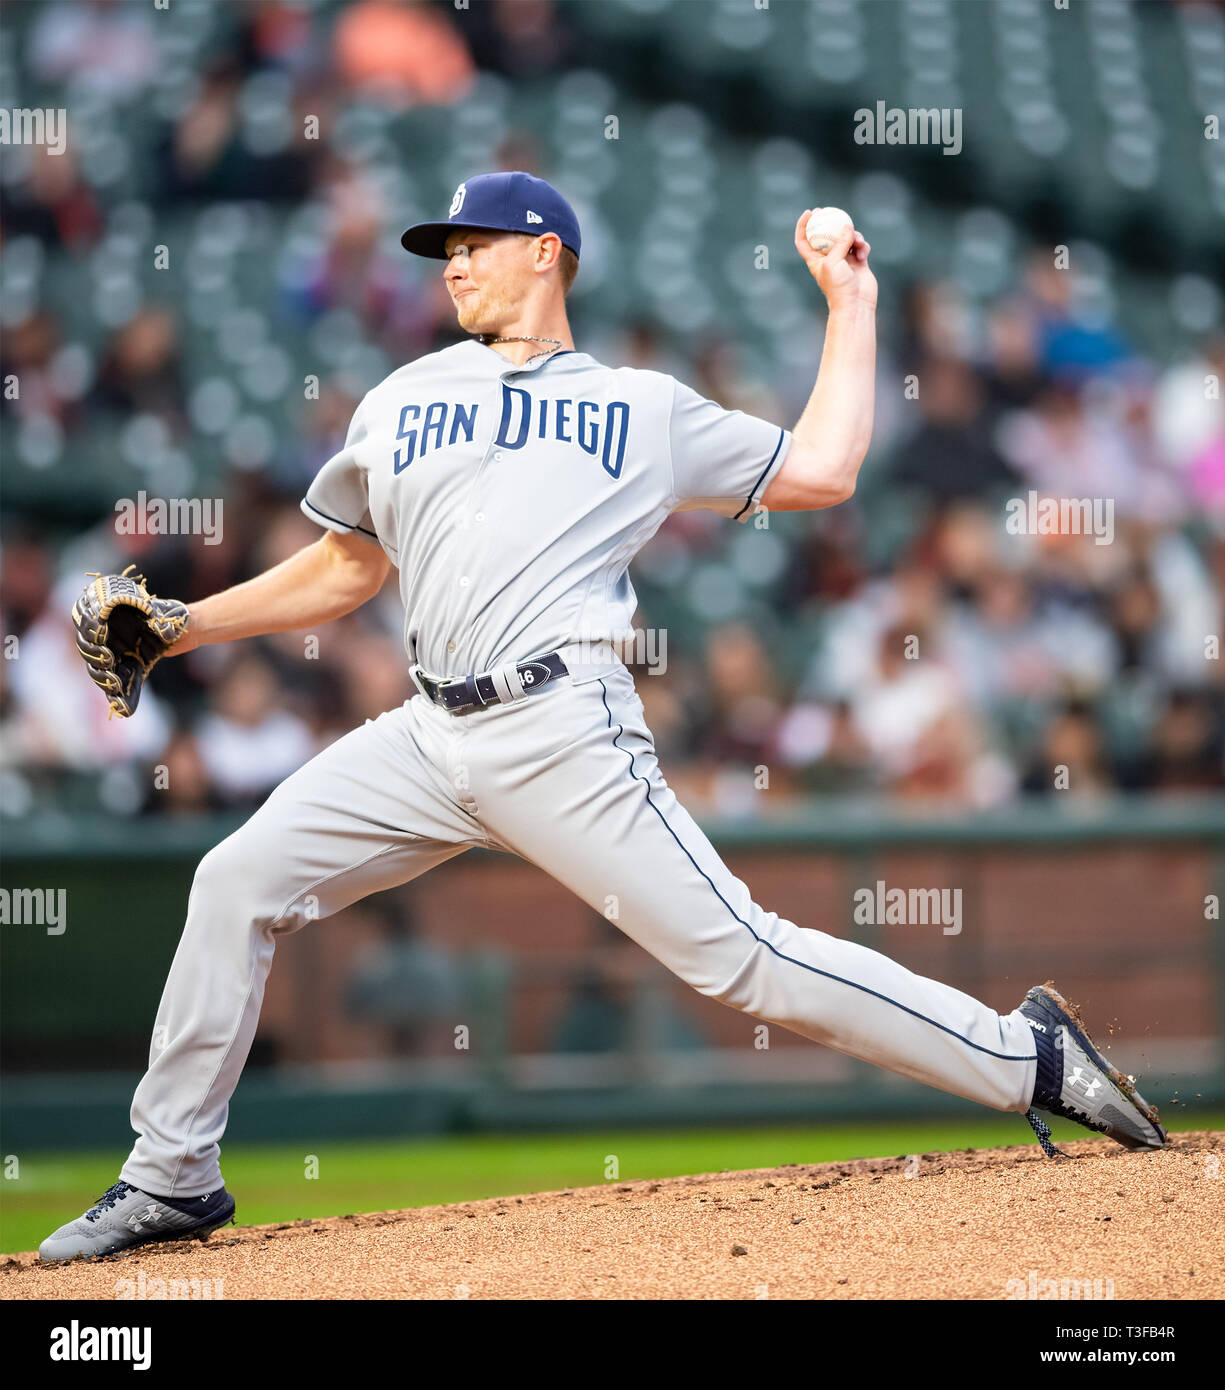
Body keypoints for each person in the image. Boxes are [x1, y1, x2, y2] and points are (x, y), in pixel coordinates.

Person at [39, 172, 1165, 1262]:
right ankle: (172, 1176)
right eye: (444, 251)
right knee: (234, 881)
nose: (454, 265)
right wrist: (183, 625)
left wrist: (851, 304)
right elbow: (345, 568)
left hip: (561, 729)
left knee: (745, 963)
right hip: (426, 735)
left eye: (474, 243)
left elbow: (824, 469)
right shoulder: (404, 395)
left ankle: (1030, 1057)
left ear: (547, 253)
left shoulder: (641, 405)